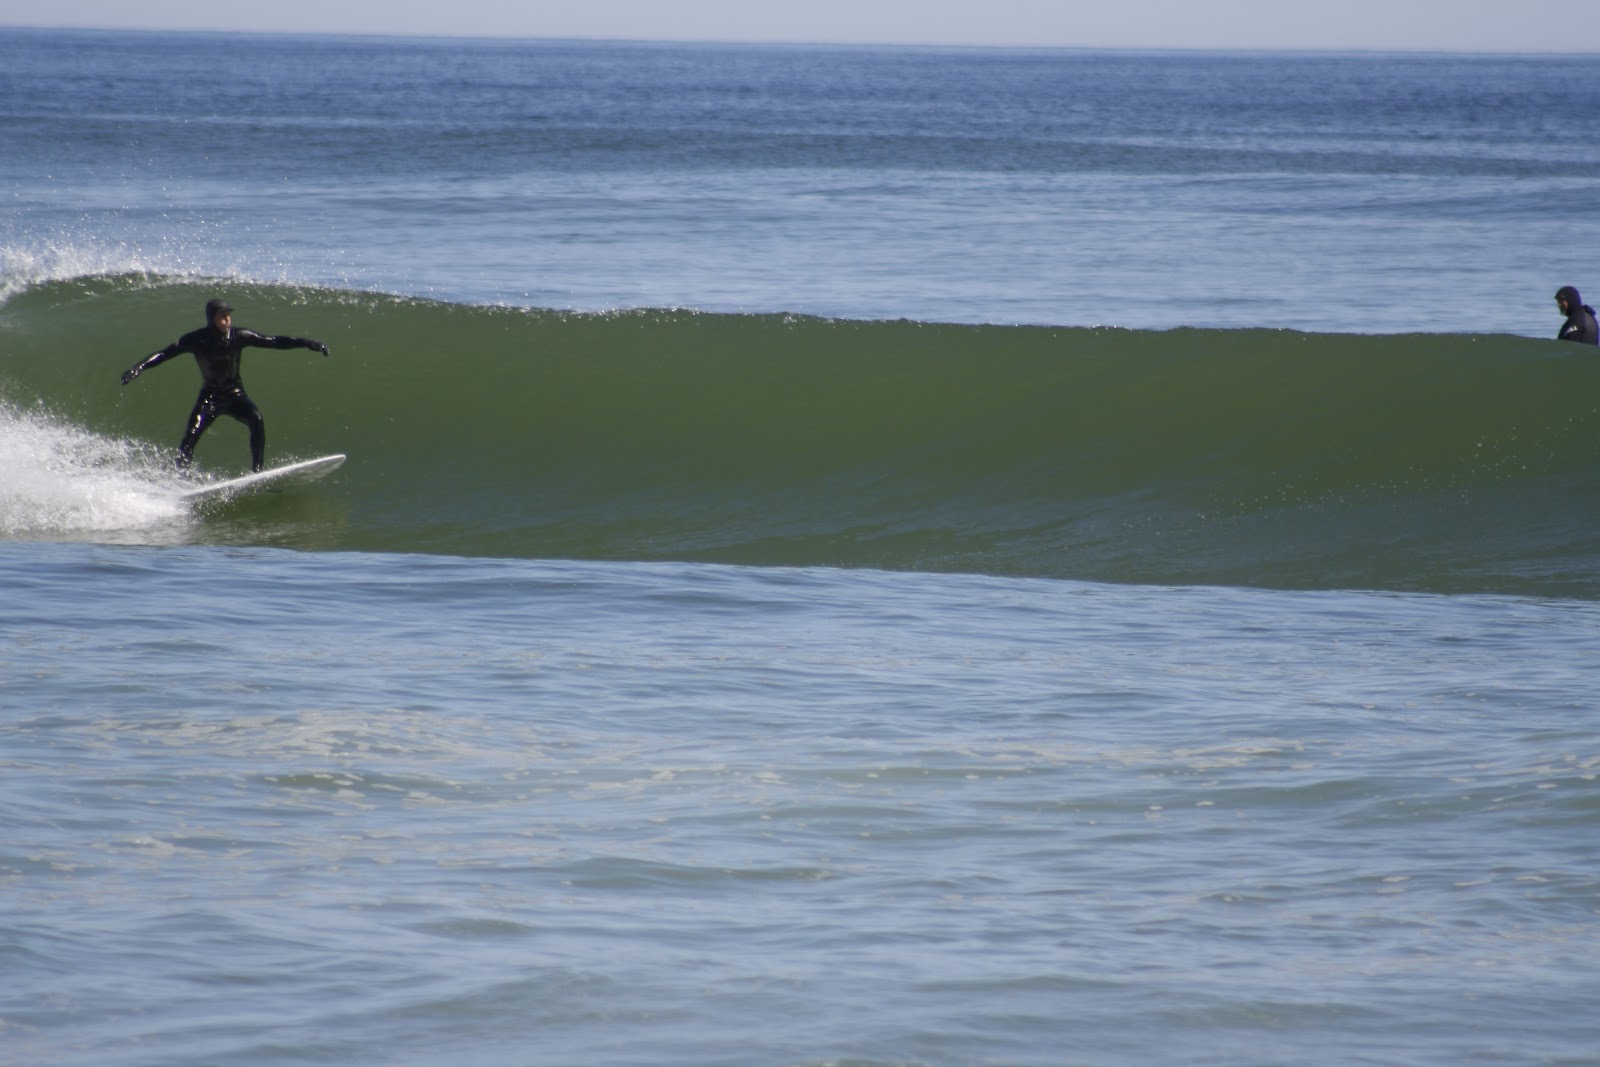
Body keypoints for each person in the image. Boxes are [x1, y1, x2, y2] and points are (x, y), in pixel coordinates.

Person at [121, 298, 329, 472]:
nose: (227, 320)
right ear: (212, 318)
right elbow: (165, 354)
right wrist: (138, 368)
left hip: (234, 395)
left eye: (229, 315)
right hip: (210, 397)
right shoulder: (196, 339)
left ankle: (257, 471)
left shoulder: (239, 336)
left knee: (256, 419)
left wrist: (307, 343)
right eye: (222, 316)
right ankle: (179, 478)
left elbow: (273, 341)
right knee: (190, 436)